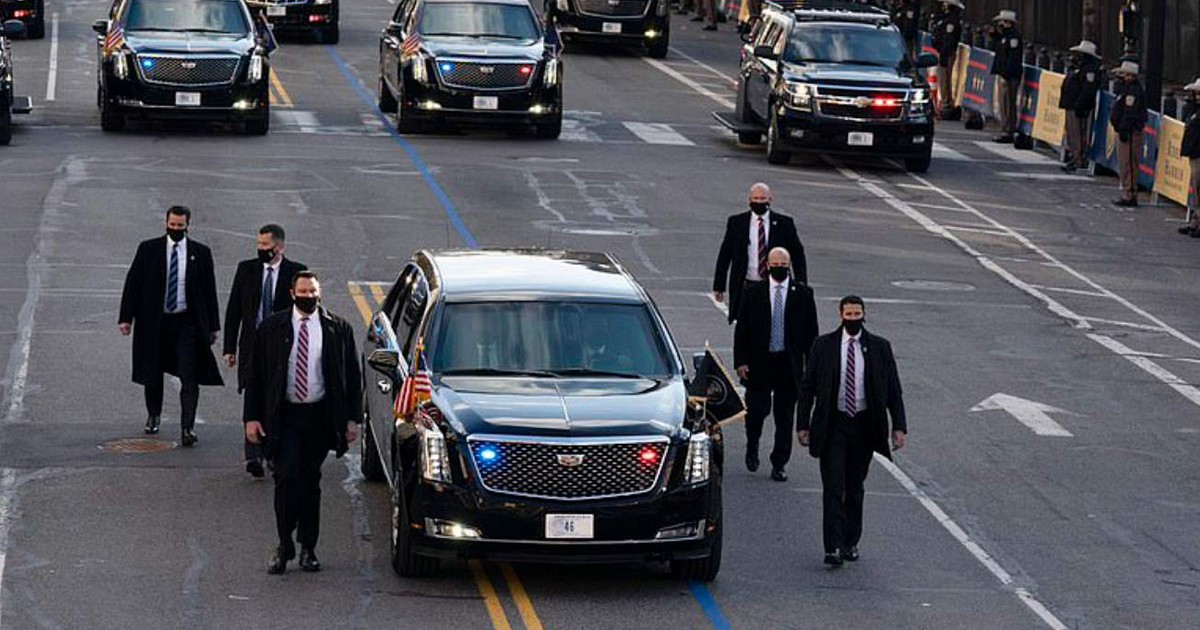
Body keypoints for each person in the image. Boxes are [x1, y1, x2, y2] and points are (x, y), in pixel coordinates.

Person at [244, 271, 362, 575]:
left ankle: (308, 547)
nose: (309, 296)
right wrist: (251, 418)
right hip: (285, 417)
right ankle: (285, 545)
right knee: (285, 477)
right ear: (292, 293)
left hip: (320, 416)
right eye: (304, 291)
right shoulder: (272, 327)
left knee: (311, 481)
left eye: (314, 291)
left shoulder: (338, 328)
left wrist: (351, 419)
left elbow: (351, 376)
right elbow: (256, 375)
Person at [797, 296, 907, 566]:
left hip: (863, 424)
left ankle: (850, 541)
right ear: (840, 315)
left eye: (858, 313)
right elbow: (808, 386)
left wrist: (899, 427)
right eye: (849, 313)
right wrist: (802, 424)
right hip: (833, 425)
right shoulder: (823, 346)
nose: (853, 317)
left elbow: (893, 389)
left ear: (864, 315)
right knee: (833, 487)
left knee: (854, 487)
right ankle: (832, 547)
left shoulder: (880, 348)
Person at [118, 206, 223, 446]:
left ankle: (188, 427)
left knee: (190, 375)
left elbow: (209, 292)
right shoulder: (149, 250)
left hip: (186, 323)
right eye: (172, 225)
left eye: (180, 225)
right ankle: (154, 414)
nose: (175, 229)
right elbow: (133, 284)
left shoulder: (201, 253)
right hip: (154, 321)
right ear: (166, 223)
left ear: (187, 225)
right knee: (152, 372)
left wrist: (213, 326)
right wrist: (126, 318)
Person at [223, 224, 307, 478]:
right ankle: (253, 454)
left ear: (279, 247)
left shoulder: (295, 272)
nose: (260, 250)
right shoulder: (246, 270)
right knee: (253, 393)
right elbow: (234, 309)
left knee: (276, 398)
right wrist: (229, 347)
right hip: (252, 344)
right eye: (258, 245)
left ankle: (272, 451)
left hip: (282, 347)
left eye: (265, 246)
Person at [734, 247, 818, 482]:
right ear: (767, 265)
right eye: (776, 264)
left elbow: (812, 333)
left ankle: (779, 463)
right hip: (759, 363)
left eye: (784, 264)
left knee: (785, 416)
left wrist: (811, 367)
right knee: (756, 412)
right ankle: (752, 446)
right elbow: (742, 330)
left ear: (789, 265)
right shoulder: (753, 292)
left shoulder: (802, 294)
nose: (780, 267)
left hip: (788, 365)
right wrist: (740, 361)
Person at [713, 183, 808, 324]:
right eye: (755, 198)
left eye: (762, 198)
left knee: (774, 321)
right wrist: (719, 285)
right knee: (745, 324)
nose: (759, 202)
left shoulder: (784, 224)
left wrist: (801, 282)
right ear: (749, 200)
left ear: (770, 199)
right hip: (746, 284)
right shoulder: (737, 223)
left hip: (775, 284)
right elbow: (725, 254)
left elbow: (797, 254)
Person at [1059, 40, 1103, 173]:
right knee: (1072, 133)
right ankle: (1074, 157)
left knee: (1078, 133)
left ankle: (1079, 159)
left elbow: (1088, 90)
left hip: (1078, 106)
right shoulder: (1080, 67)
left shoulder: (1090, 70)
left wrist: (1080, 105)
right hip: (1071, 104)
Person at [1110, 61, 1148, 207]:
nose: (1122, 77)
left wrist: (1124, 128)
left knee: (1129, 163)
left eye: (1125, 74)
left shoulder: (1133, 91)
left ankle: (1130, 193)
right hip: (1125, 130)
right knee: (1124, 163)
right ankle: (1127, 191)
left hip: (1130, 132)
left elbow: (1129, 112)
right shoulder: (1127, 89)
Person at [988, 10, 1023, 144]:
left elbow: (1013, 57)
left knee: (1008, 103)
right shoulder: (1006, 36)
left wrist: (1007, 73)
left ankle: (1009, 129)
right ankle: (1005, 127)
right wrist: (994, 34)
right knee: (1004, 102)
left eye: (1002, 21)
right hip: (1004, 73)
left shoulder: (1013, 37)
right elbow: (1001, 41)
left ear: (1008, 22)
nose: (1000, 24)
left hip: (1009, 75)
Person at [929, 0, 964, 116]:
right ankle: (946, 101)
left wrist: (944, 53)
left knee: (944, 78)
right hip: (943, 51)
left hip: (946, 53)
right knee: (943, 78)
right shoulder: (945, 19)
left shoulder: (952, 21)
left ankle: (946, 102)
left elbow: (948, 40)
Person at [1178, 79, 1200, 237]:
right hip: (1194, 153)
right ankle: (1195, 220)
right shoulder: (1194, 109)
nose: (1197, 96)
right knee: (1195, 189)